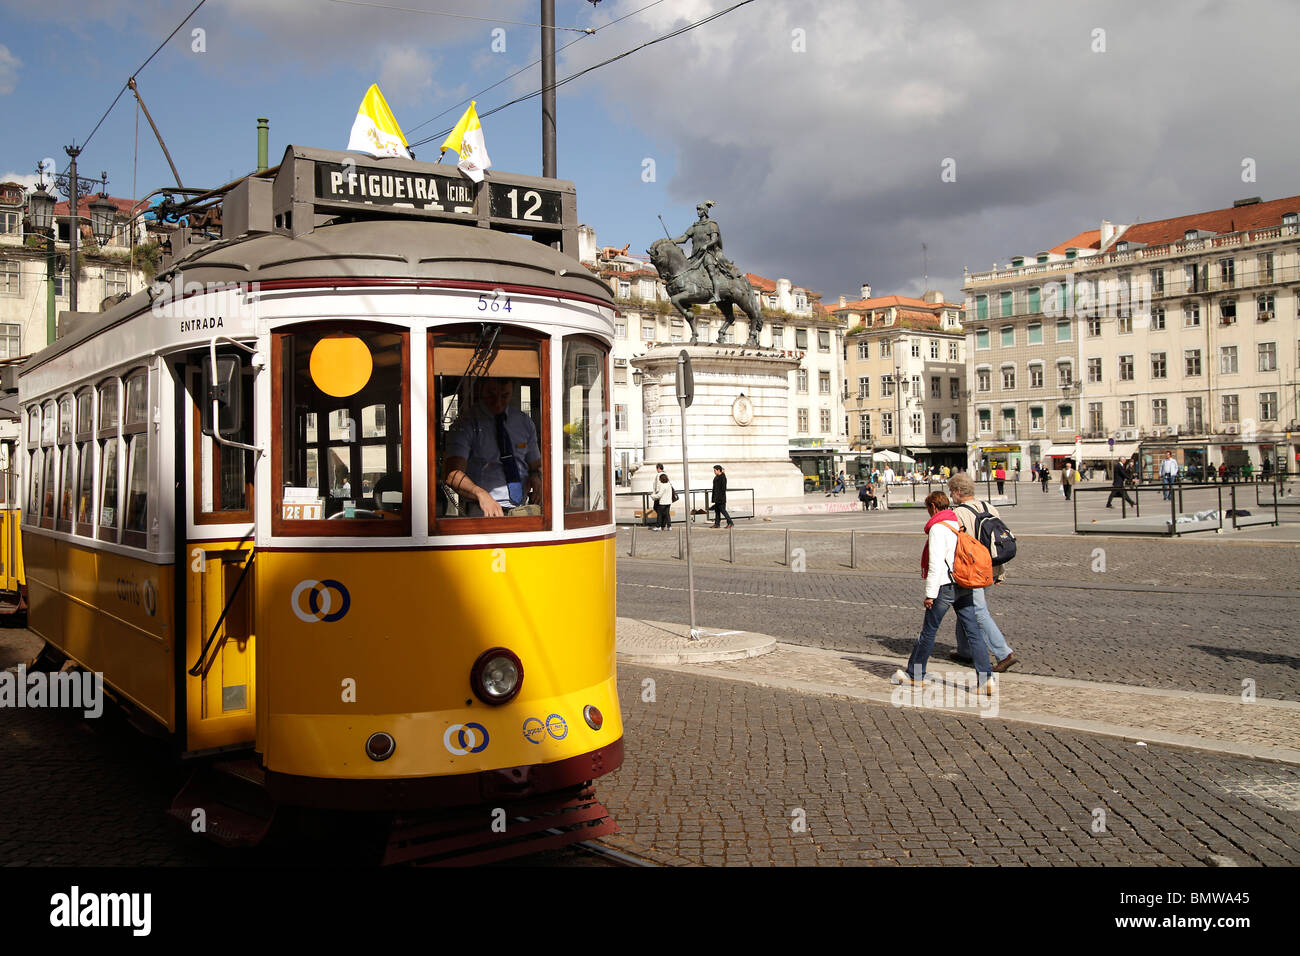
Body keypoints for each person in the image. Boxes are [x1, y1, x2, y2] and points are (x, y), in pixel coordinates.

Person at [891, 491, 994, 692]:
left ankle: (915, 674)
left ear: (933, 507)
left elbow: (935, 563)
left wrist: (930, 594)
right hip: (963, 583)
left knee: (929, 631)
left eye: (928, 509)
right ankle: (986, 678)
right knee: (973, 632)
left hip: (945, 585)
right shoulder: (956, 523)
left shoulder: (938, 528)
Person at [947, 473, 1017, 672]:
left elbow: (957, 546)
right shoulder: (990, 507)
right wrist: (1000, 573)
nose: (951, 495)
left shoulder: (958, 514)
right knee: (964, 606)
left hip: (974, 572)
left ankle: (1004, 653)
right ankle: (965, 650)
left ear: (958, 492)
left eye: (952, 491)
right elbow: (998, 541)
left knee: (977, 612)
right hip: (992, 568)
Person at [444, 378, 543, 517]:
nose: (498, 402)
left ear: (512, 390)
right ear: (481, 390)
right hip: (481, 510)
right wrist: (480, 494)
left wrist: (536, 478)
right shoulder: (466, 424)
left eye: (504, 396)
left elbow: (535, 466)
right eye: (491, 395)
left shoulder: (524, 422)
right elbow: (452, 475)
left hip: (521, 509)